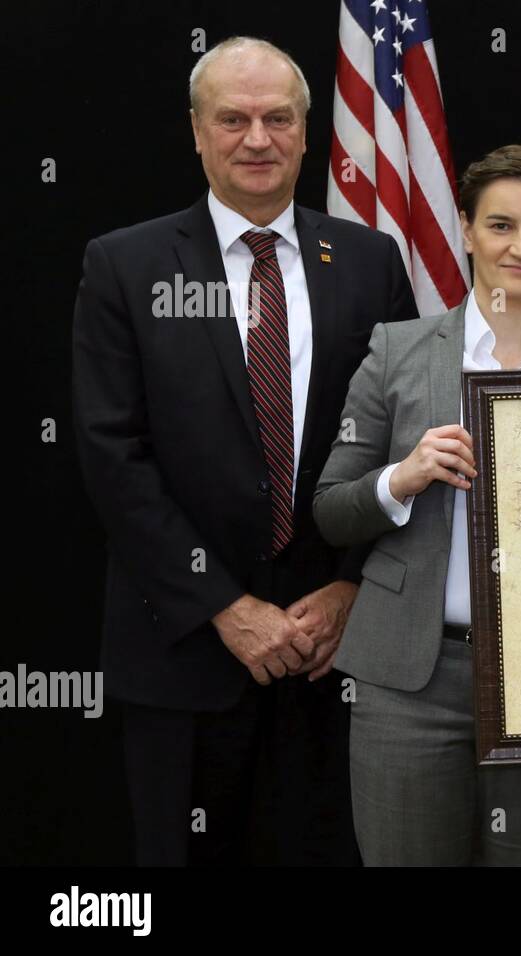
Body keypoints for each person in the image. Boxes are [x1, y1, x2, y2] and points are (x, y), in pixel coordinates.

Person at [71, 37, 418, 865]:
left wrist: (349, 586)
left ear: (306, 132)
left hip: (335, 656)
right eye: (233, 119)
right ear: (196, 132)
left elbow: (405, 440)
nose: (256, 139)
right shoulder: (125, 264)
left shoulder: (369, 261)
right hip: (185, 650)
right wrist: (227, 607)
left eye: (277, 118)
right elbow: (111, 455)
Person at [314, 144, 521, 866]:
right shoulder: (396, 350)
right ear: (464, 228)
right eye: (500, 225)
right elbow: (332, 510)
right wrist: (405, 476)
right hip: (408, 683)